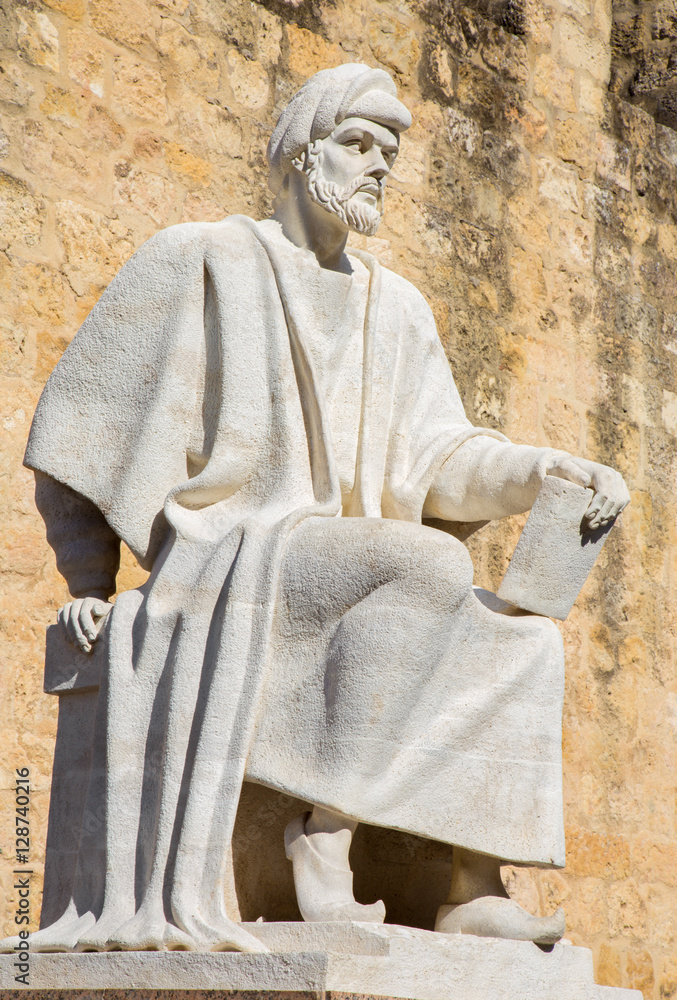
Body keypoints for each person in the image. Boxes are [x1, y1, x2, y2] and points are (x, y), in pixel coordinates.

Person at [18, 64, 629, 952]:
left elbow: (438, 459)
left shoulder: (398, 307)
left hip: (353, 562)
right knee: (425, 561)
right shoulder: (202, 258)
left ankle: (470, 884)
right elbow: (81, 424)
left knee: (520, 637)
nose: (379, 165)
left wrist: (545, 471)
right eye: (357, 143)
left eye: (390, 151)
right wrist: (92, 582)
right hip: (239, 550)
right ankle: (326, 835)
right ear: (300, 156)